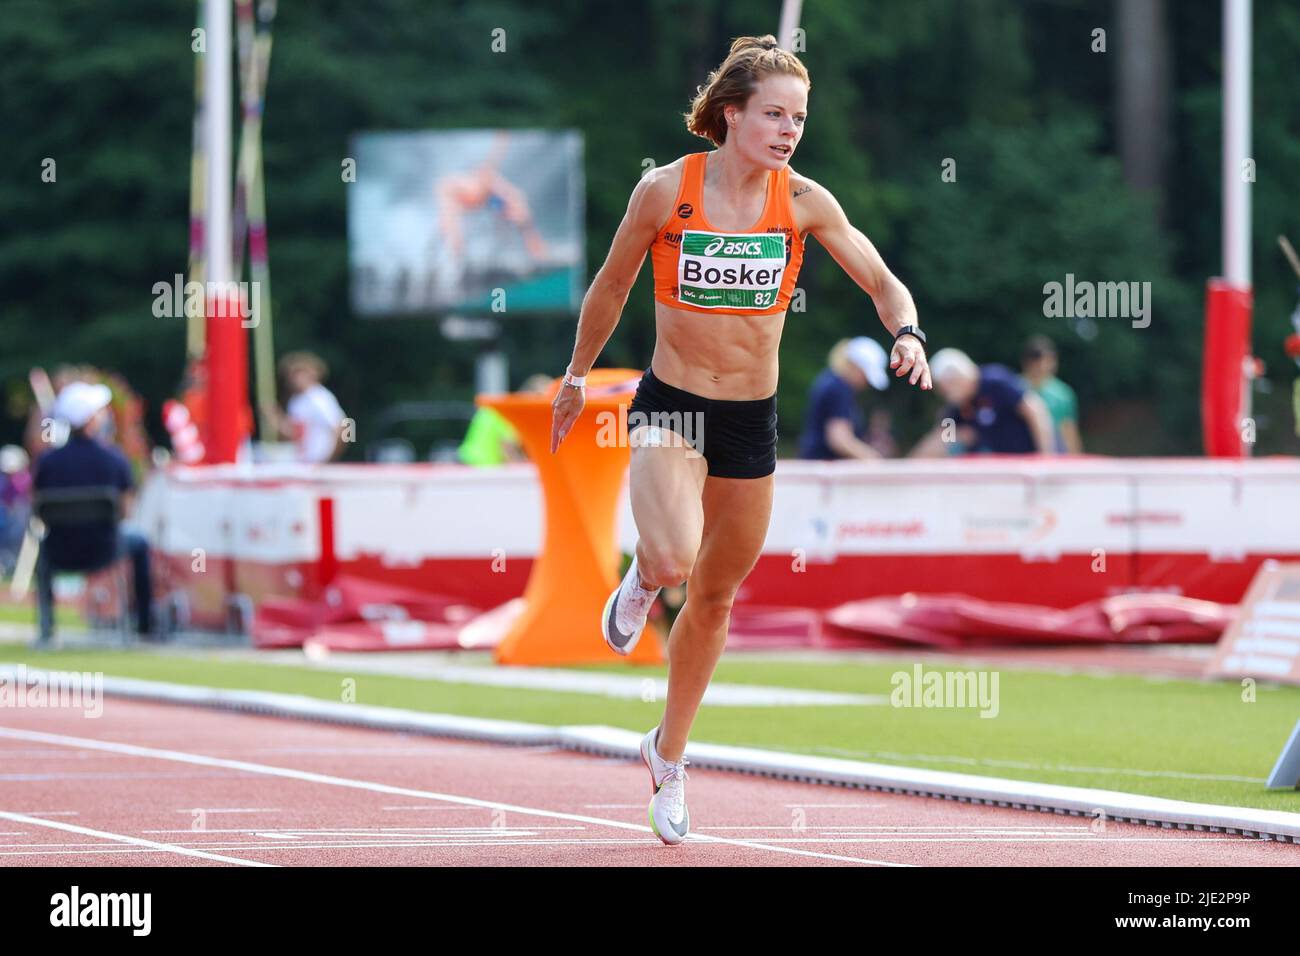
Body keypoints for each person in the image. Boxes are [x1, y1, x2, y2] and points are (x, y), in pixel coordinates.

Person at [549, 35, 931, 846]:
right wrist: (577, 376)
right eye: (773, 115)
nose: (789, 131)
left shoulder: (803, 201)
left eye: (798, 118)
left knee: (717, 598)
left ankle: (669, 753)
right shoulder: (664, 191)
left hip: (750, 419)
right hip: (672, 405)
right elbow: (612, 285)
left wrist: (907, 332)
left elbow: (879, 276)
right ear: (731, 114)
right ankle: (644, 579)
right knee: (676, 561)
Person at [31, 382, 154, 641]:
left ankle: (46, 627)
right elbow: (126, 511)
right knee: (141, 543)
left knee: (41, 553)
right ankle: (145, 625)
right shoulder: (114, 459)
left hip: (58, 549)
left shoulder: (48, 462)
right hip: (105, 548)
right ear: (90, 420)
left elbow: (37, 509)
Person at [910, 348, 1054, 456]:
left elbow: (1035, 410)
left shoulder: (995, 382)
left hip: (1035, 463)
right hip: (1012, 471)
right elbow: (941, 440)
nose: (946, 394)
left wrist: (1046, 458)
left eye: (948, 386)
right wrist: (909, 467)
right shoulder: (959, 408)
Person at [797, 337, 892, 459]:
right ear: (855, 365)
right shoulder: (838, 388)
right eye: (865, 376)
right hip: (822, 468)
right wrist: (873, 459)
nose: (866, 384)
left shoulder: (830, 382)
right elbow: (839, 439)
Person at [263, 352, 347, 463]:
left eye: (299, 373)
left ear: (313, 374)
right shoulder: (296, 401)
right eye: (291, 374)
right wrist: (274, 416)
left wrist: (329, 459)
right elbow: (293, 434)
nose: (294, 379)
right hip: (303, 461)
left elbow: (345, 426)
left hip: (317, 462)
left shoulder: (319, 398)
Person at [458, 373, 555, 466]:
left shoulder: (503, 406)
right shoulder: (513, 411)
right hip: (482, 466)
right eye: (542, 398)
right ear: (531, 394)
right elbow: (508, 447)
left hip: (470, 462)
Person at [1021, 335, 1083, 454]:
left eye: (1048, 361)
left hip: (1053, 458)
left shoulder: (1063, 394)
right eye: (1038, 362)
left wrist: (1076, 461)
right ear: (1027, 363)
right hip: (1020, 455)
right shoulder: (1013, 389)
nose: (1044, 367)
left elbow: (1069, 432)